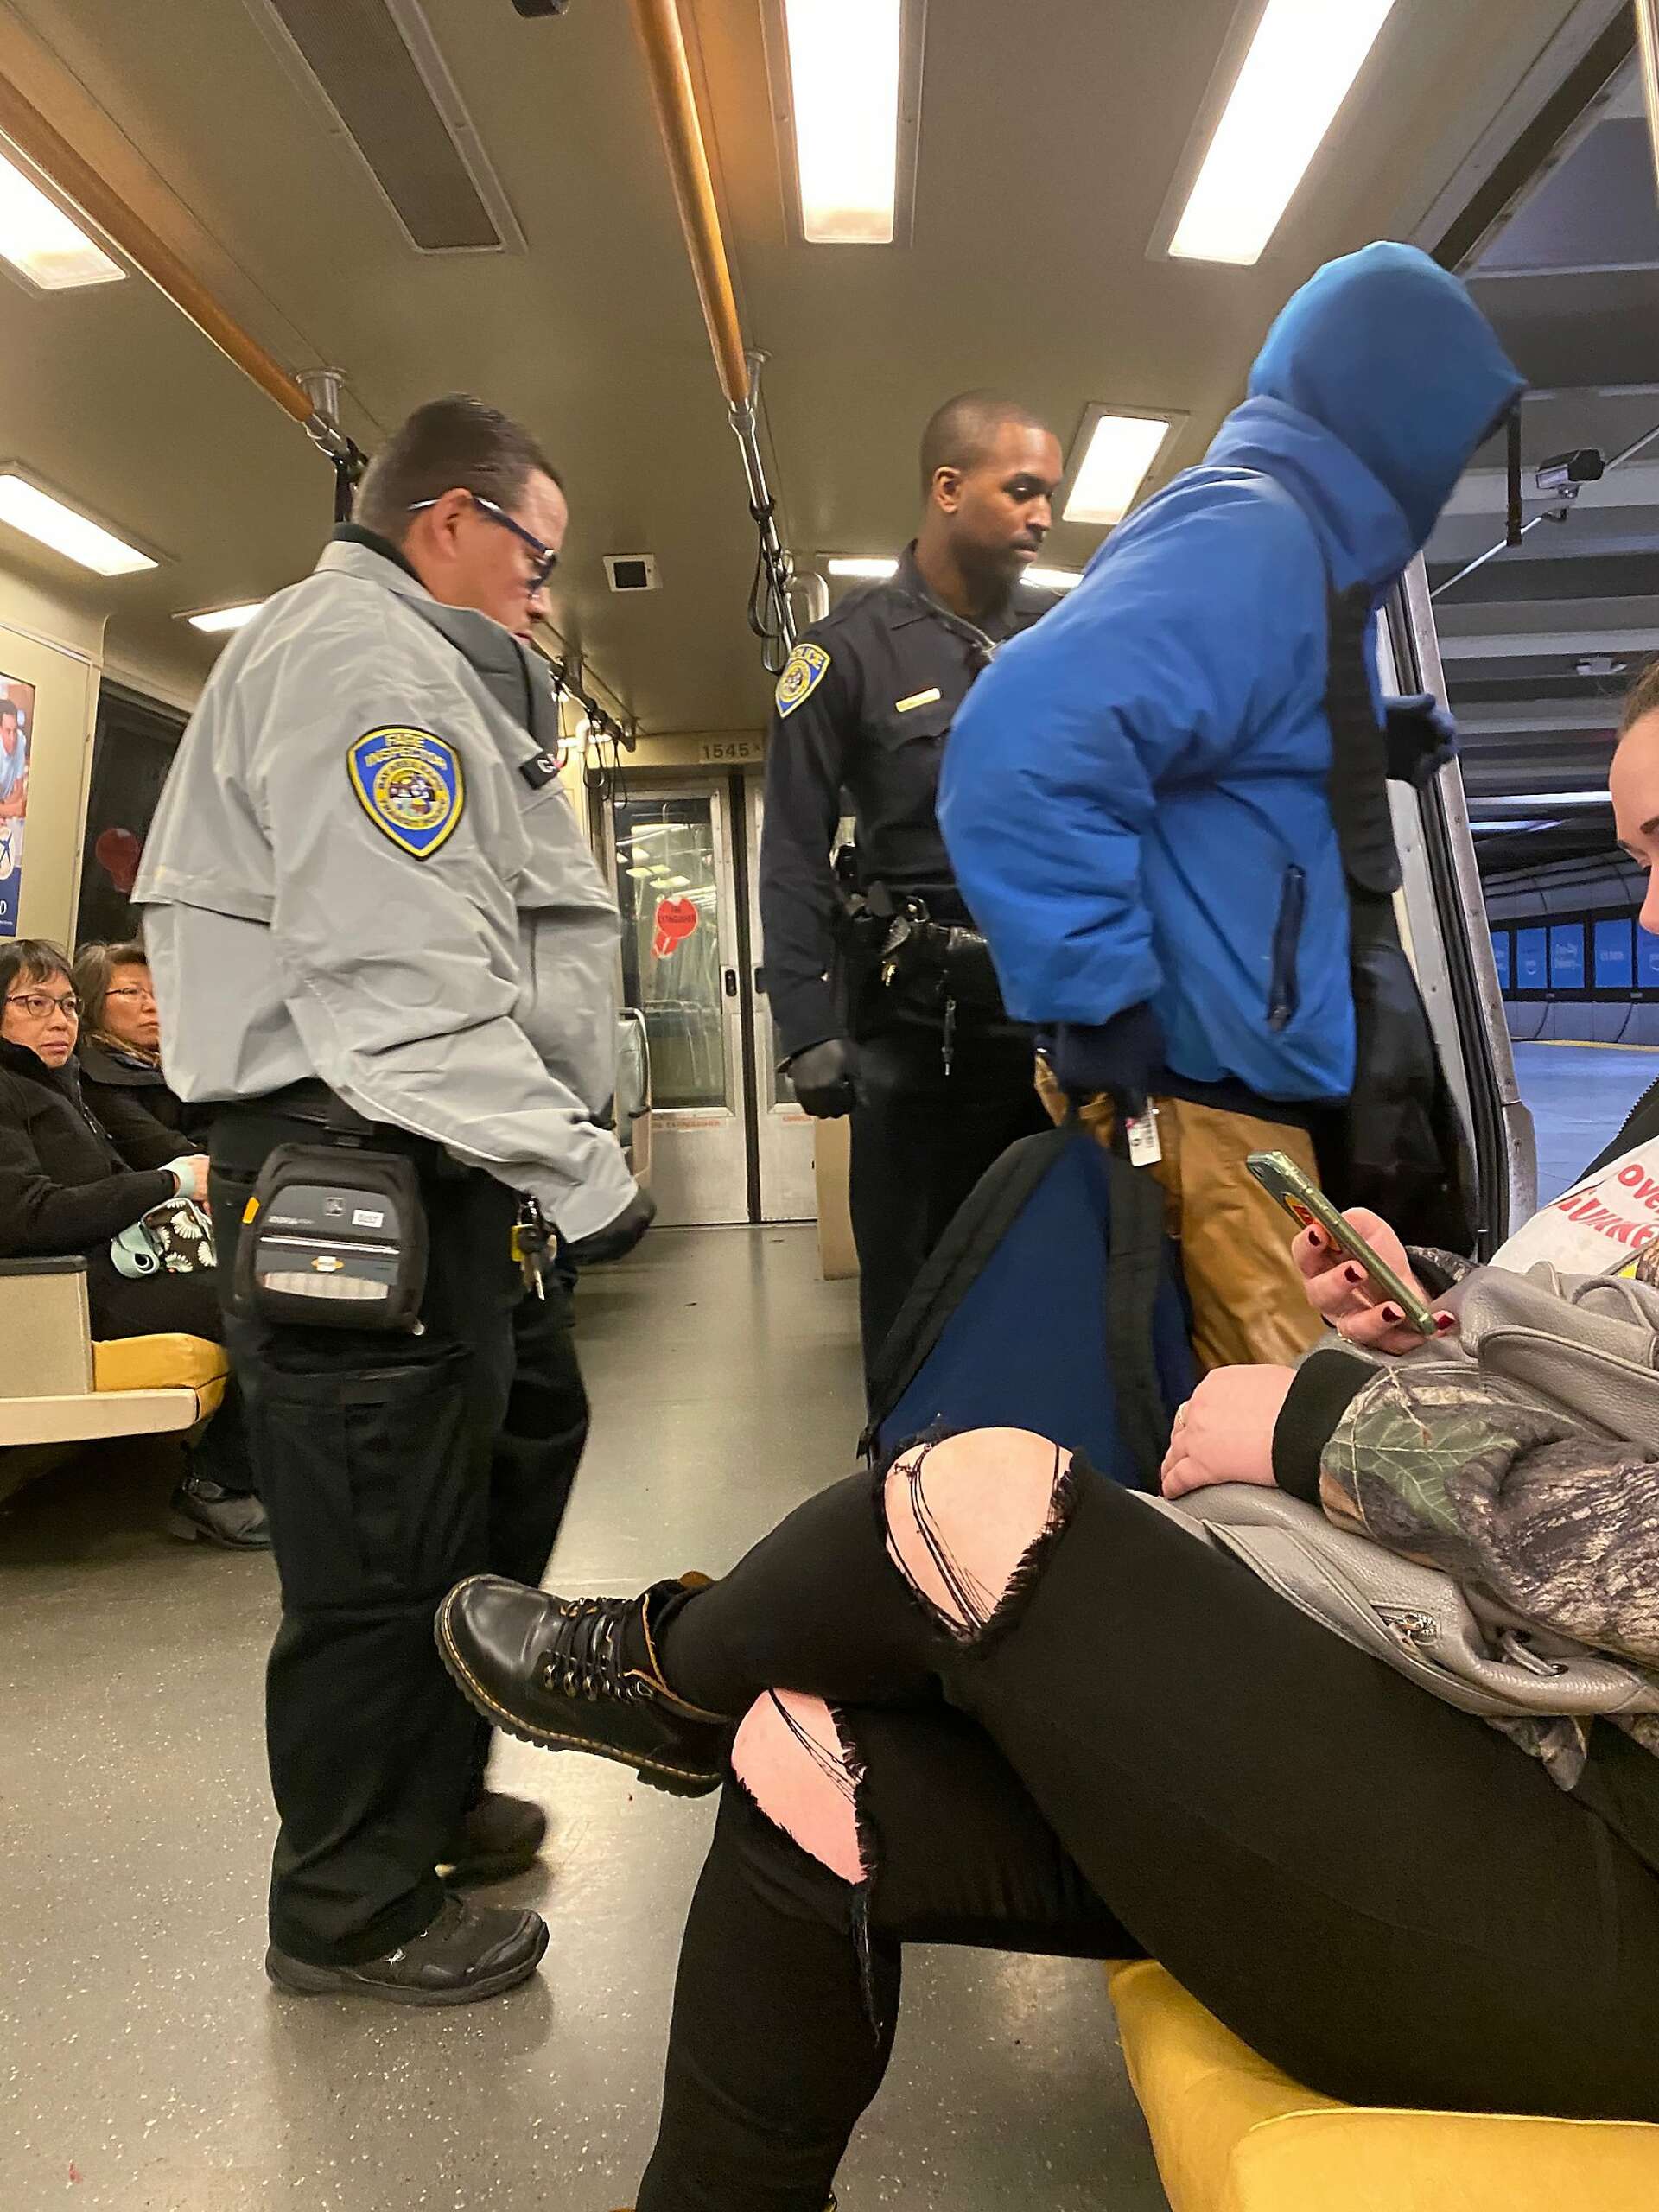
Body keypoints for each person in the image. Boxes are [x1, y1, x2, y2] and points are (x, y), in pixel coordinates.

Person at [436, 1280, 1659, 2210]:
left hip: (1608, 1884)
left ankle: (667, 1677)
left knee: (975, 1504)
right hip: (1511, 1717)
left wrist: (1341, 1430)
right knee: (811, 1759)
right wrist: (1429, 1302)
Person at [134, 395, 654, 2006]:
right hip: (357, 1163)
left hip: (440, 1170)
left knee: (496, 1470)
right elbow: (400, 995)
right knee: (377, 1553)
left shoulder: (426, 669)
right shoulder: (366, 669)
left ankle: (426, 1799)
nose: (543, 596)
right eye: (537, 560)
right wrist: (587, 1176)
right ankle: (347, 1910)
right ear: (450, 522)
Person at [938, 243, 1524, 1371]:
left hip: (1246, 1067)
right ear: (1391, 415)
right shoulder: (1251, 534)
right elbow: (1018, 742)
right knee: (1283, 1409)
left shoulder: (1306, 545)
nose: (1449, 472)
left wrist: (1362, 732)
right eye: (1445, 437)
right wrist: (1097, 992)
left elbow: (1219, 729)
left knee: (1298, 1388)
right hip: (1203, 1083)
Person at [758, 394, 1064, 1377]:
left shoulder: (1066, 637)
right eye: (1023, 490)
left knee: (1059, 1278)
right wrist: (805, 1023)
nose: (1044, 515)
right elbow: (793, 846)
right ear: (948, 488)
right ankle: (912, 1463)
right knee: (917, 1294)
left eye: (1050, 494)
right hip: (921, 1026)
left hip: (1062, 1018)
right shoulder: (843, 652)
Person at [0, 938, 265, 1547]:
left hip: (110, 1269)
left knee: (275, 1285)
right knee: (265, 1310)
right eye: (34, 1003)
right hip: (62, 1289)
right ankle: (218, 1485)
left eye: (67, 1005)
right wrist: (170, 1181)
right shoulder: (11, 1089)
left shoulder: (55, 1084)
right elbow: (26, 1217)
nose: (58, 1020)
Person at [73, 941, 198, 1154]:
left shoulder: (179, 1063)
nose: (153, 1006)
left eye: (159, 993)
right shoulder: (92, 1077)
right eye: (131, 992)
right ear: (91, 1000)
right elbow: (164, 1151)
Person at [0, 696, 26, 821]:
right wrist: (11, 809)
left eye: (14, 731)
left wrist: (4, 809)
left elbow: (19, 790)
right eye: (8, 731)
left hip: (5, 801)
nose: (12, 738)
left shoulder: (20, 739)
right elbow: (18, 808)